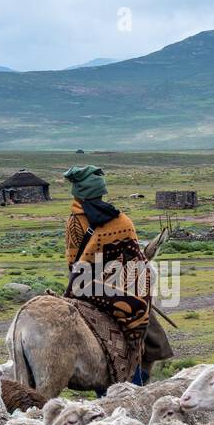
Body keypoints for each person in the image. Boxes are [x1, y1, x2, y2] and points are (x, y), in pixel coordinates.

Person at [62, 165, 172, 387]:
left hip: (83, 289)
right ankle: (136, 381)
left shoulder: (73, 222)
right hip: (120, 288)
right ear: (101, 192)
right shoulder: (122, 221)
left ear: (77, 194)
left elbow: (73, 263)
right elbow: (136, 262)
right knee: (148, 331)